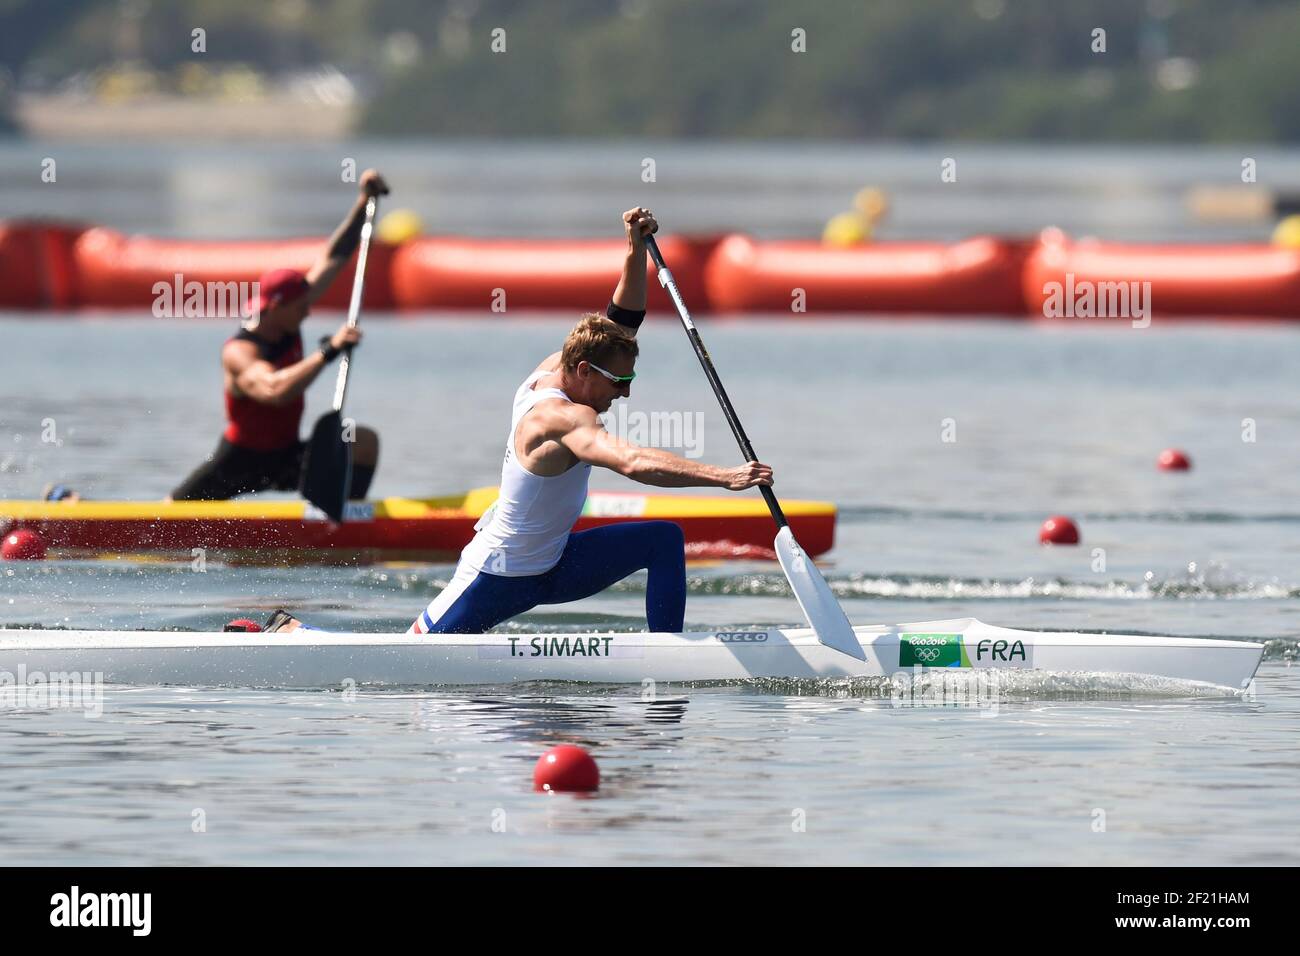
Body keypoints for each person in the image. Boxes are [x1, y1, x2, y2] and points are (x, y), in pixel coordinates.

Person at [169, 170, 390, 501]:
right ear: (275, 307)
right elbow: (275, 390)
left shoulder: (287, 313)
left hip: (288, 456)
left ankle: (346, 520)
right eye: (302, 307)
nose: (309, 311)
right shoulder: (239, 352)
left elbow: (335, 256)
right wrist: (328, 351)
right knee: (169, 513)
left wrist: (363, 203)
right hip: (240, 460)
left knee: (363, 442)